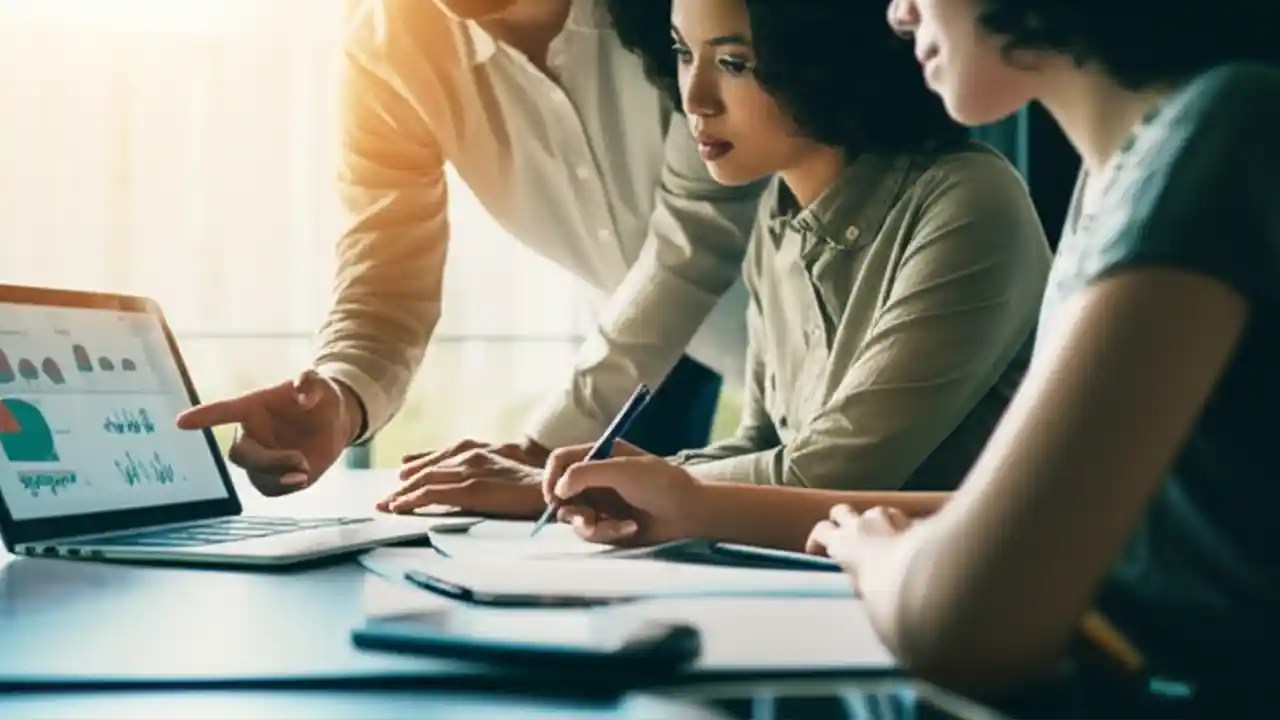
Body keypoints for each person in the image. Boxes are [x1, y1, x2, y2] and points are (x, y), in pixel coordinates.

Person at [548, 0, 1280, 707]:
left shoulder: (1218, 137)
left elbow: (968, 622)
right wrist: (696, 504)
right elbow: (1011, 521)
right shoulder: (1116, 178)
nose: (896, 13)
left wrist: (877, 556)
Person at [380, 0, 1050, 517]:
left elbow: (829, 472)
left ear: (813, 55)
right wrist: (596, 477)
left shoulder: (967, 203)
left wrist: (576, 485)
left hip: (971, 630)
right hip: (831, 603)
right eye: (679, 52)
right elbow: (761, 444)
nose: (693, 99)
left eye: (733, 63)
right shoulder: (778, 219)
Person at [173, 0, 765, 497]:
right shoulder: (386, 40)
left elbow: (698, 231)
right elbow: (387, 258)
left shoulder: (688, 14)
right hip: (631, 350)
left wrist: (538, 450)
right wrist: (341, 394)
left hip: (810, 332)